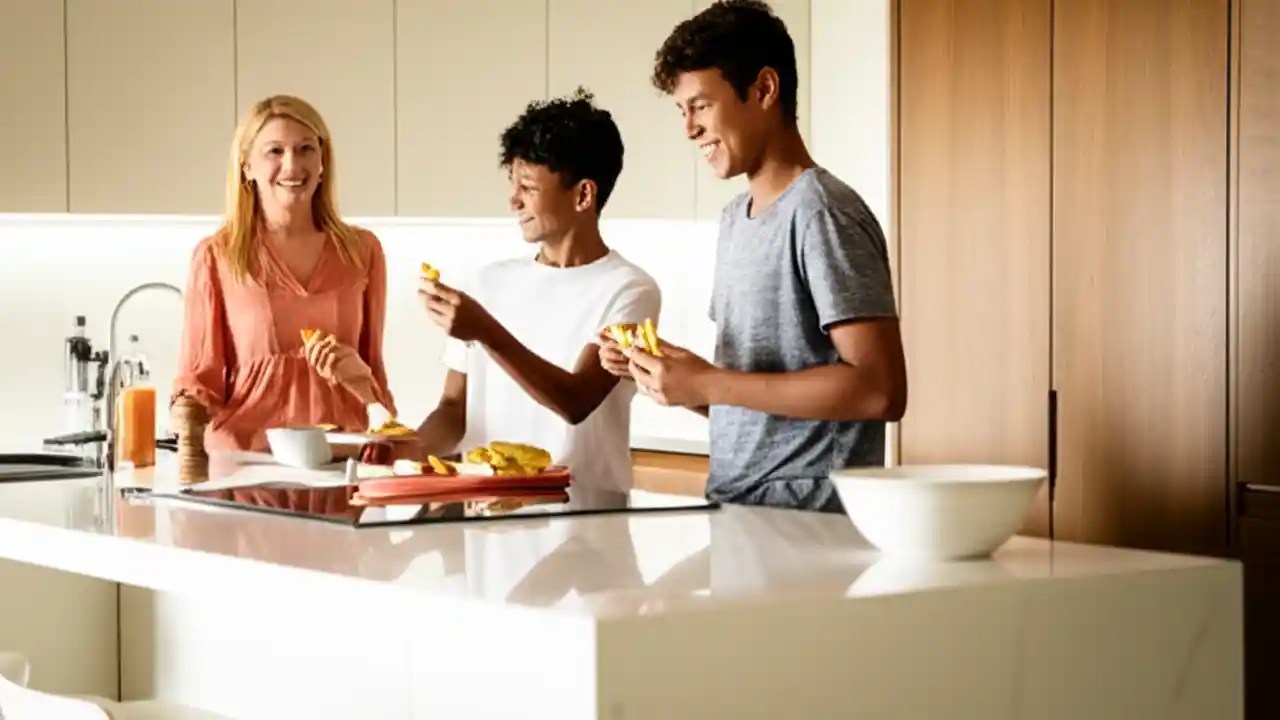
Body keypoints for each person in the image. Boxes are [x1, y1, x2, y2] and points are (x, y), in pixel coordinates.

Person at [603, 0, 907, 513]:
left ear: (764, 89)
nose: (689, 129)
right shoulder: (733, 220)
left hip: (809, 520)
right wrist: (668, 375)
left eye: (700, 106)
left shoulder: (822, 212)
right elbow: (748, 399)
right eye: (683, 111)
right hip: (736, 508)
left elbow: (880, 390)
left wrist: (708, 380)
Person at [416, 88, 661, 502]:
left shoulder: (630, 289)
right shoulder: (486, 283)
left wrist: (486, 330)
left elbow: (577, 400)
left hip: (586, 524)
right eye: (513, 184)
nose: (513, 201)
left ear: (583, 195)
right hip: (487, 525)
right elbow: (453, 410)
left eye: (527, 187)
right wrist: (404, 451)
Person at [172, 95, 396, 452]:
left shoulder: (362, 251)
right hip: (246, 464)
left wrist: (361, 379)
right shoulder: (218, 255)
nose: (292, 166)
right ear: (247, 167)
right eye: (274, 151)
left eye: (306, 149)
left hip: (340, 460)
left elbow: (377, 386)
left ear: (323, 162)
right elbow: (200, 381)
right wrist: (185, 422)